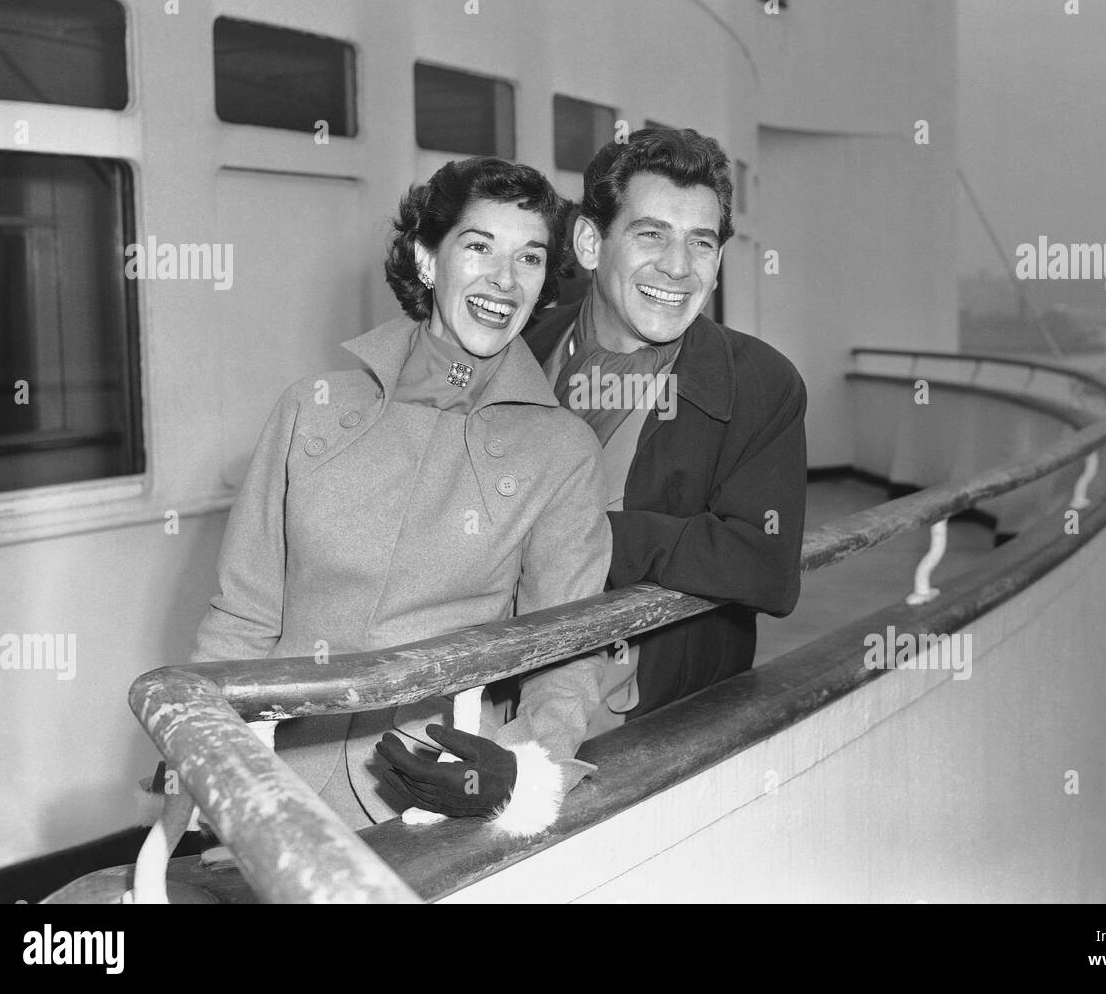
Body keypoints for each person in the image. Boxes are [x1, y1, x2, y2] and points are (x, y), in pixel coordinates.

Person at [191, 157, 611, 837]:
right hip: (275, 786)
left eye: (529, 258)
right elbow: (241, 615)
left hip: (435, 792)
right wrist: (202, 751)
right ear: (425, 258)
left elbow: (567, 650)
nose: (504, 280)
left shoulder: (562, 451)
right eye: (479, 247)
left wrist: (519, 771)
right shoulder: (311, 410)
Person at [523, 128, 808, 730]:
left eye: (700, 243)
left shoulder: (760, 383)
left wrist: (586, 537)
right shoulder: (523, 344)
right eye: (651, 233)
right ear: (589, 242)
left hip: (640, 712)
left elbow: (765, 566)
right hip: (492, 678)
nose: (677, 267)